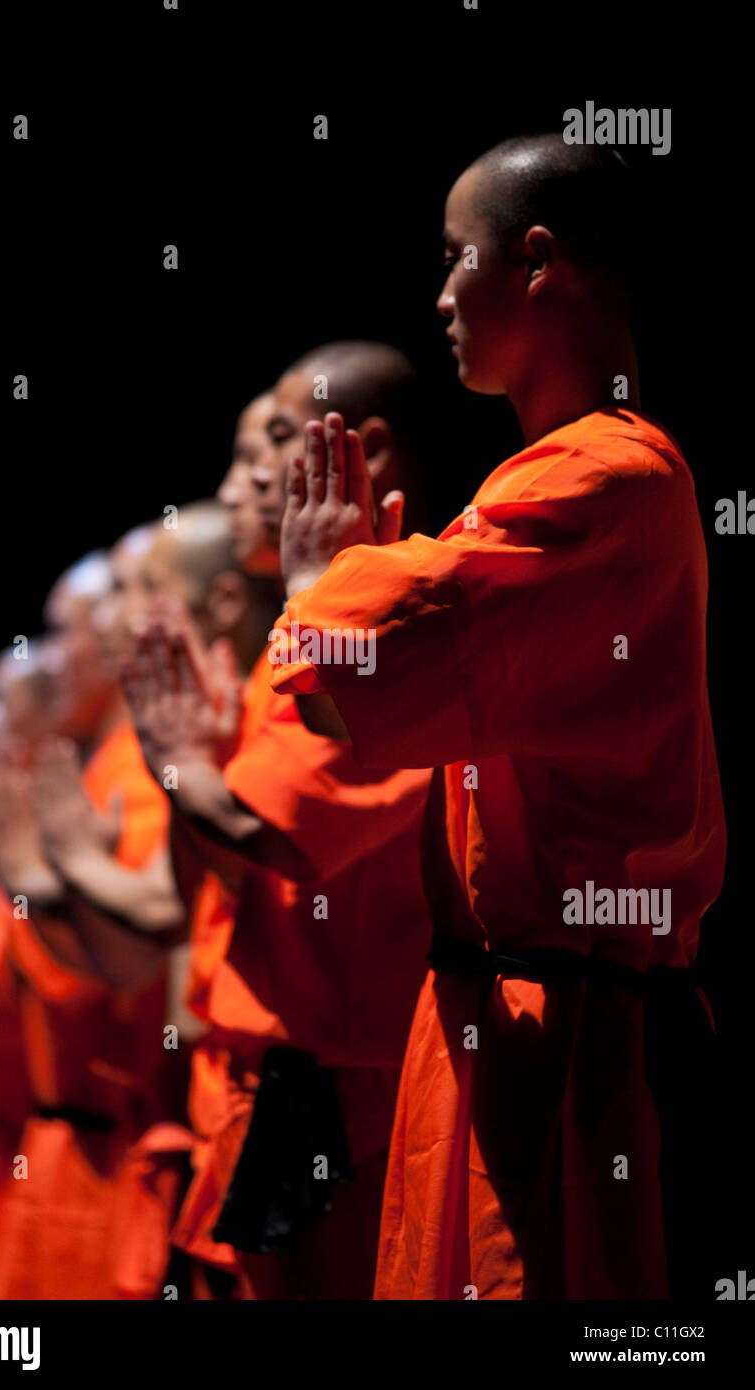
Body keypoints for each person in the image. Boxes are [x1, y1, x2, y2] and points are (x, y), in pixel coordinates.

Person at [270, 138, 726, 1299]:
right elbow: (350, 694)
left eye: (450, 257)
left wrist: (314, 587)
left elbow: (355, 661)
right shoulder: (539, 478)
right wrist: (333, 603)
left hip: (568, 1036)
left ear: (535, 261)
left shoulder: (607, 480)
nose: (437, 295)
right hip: (491, 1021)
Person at [123, 345, 434, 1299]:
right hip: (275, 1083)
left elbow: (271, 834)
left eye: (271, 441)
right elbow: (221, 873)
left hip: (341, 1096)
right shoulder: (286, 649)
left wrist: (179, 762)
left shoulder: (384, 617)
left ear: (366, 450)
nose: (242, 484)